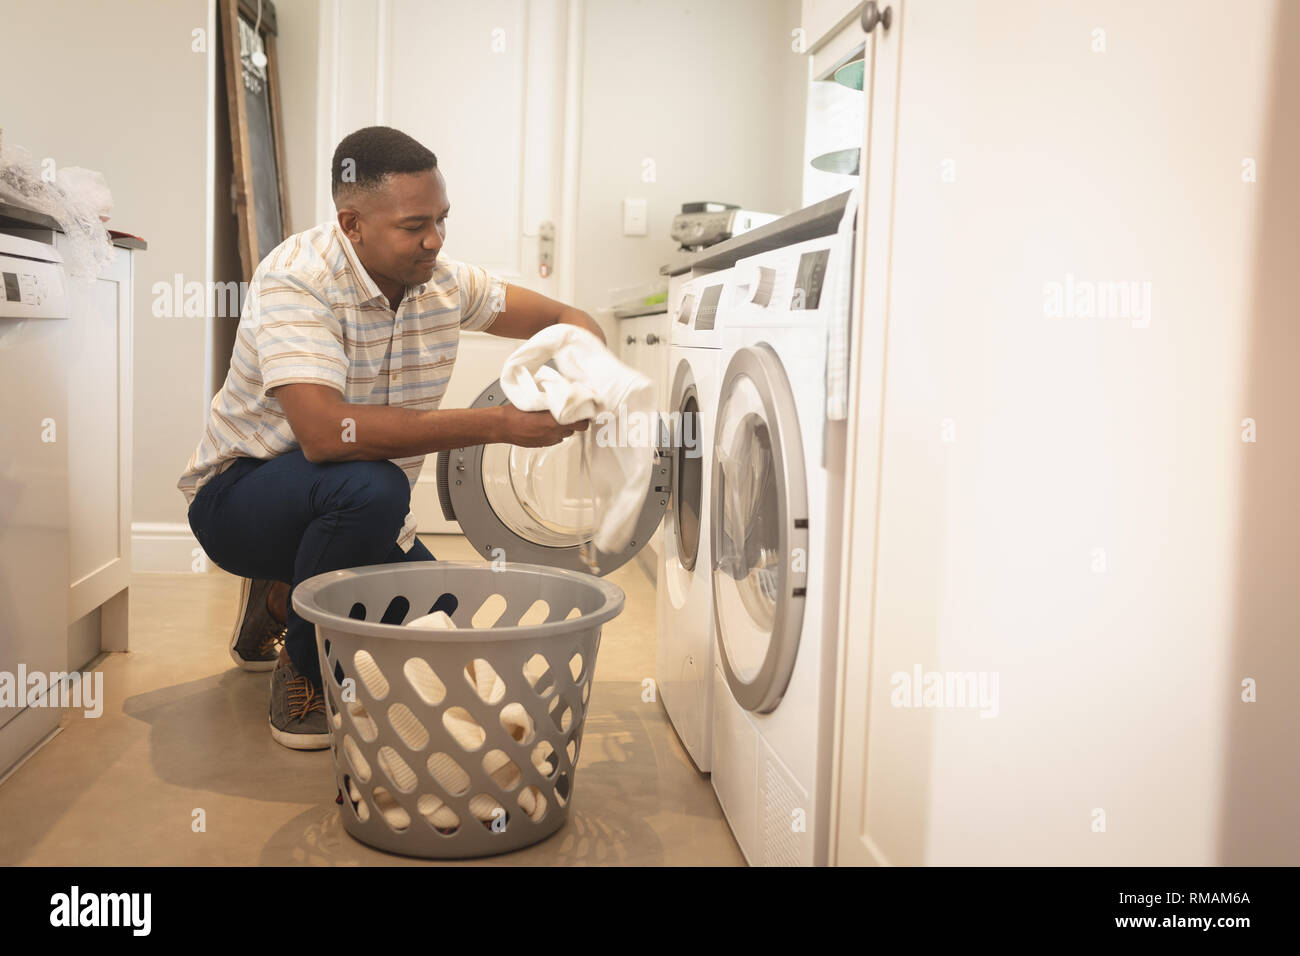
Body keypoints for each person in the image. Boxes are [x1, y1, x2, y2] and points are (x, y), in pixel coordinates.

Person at [177, 125, 603, 750]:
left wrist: (587, 364)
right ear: (352, 224)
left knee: (441, 618)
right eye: (413, 226)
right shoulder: (297, 281)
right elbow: (326, 435)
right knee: (369, 487)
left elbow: (566, 318)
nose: (434, 241)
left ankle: (279, 597)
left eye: (441, 220)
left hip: (346, 500)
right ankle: (304, 663)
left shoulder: (445, 281)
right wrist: (498, 426)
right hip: (240, 498)